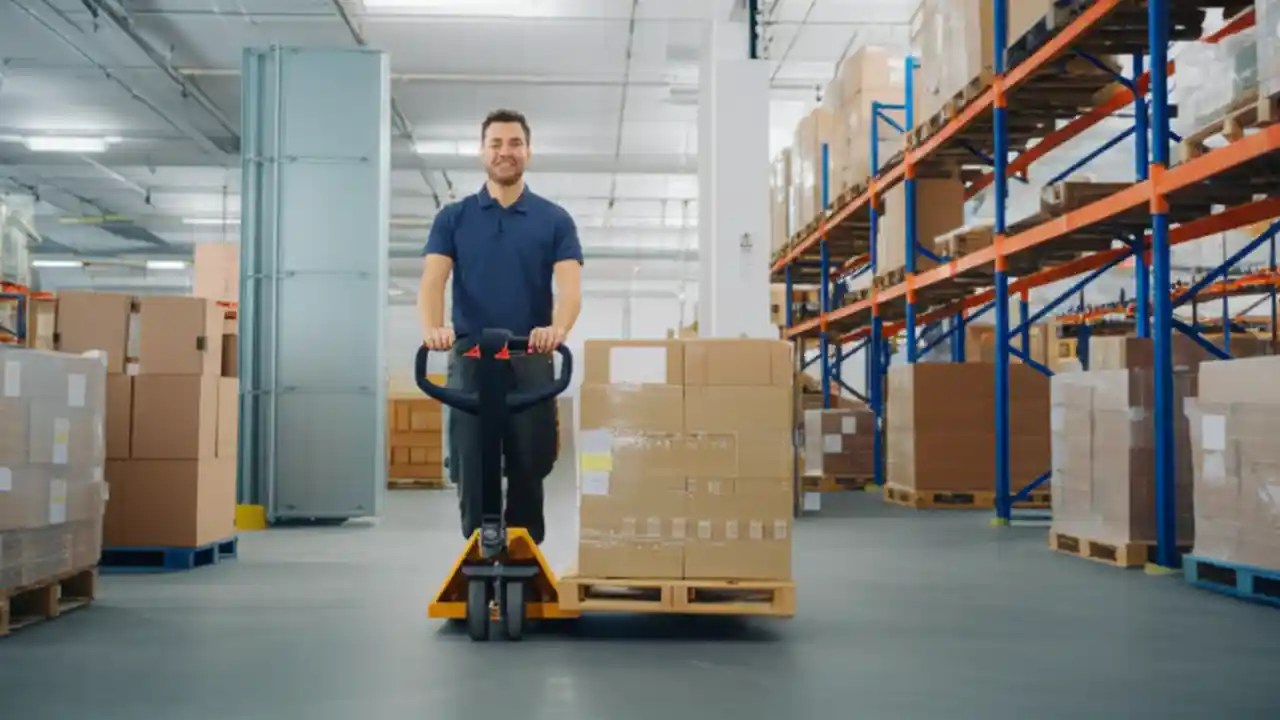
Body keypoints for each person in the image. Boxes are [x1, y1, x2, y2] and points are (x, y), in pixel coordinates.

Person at [418, 109, 583, 545]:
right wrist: (432, 328)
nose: (505, 152)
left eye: (514, 143)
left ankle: (527, 550)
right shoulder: (453, 218)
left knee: (531, 460)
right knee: (471, 461)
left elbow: (570, 290)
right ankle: (477, 547)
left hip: (530, 354)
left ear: (528, 151)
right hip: (472, 357)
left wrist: (558, 329)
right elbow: (433, 281)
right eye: (496, 144)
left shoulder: (554, 220)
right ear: (482, 151)